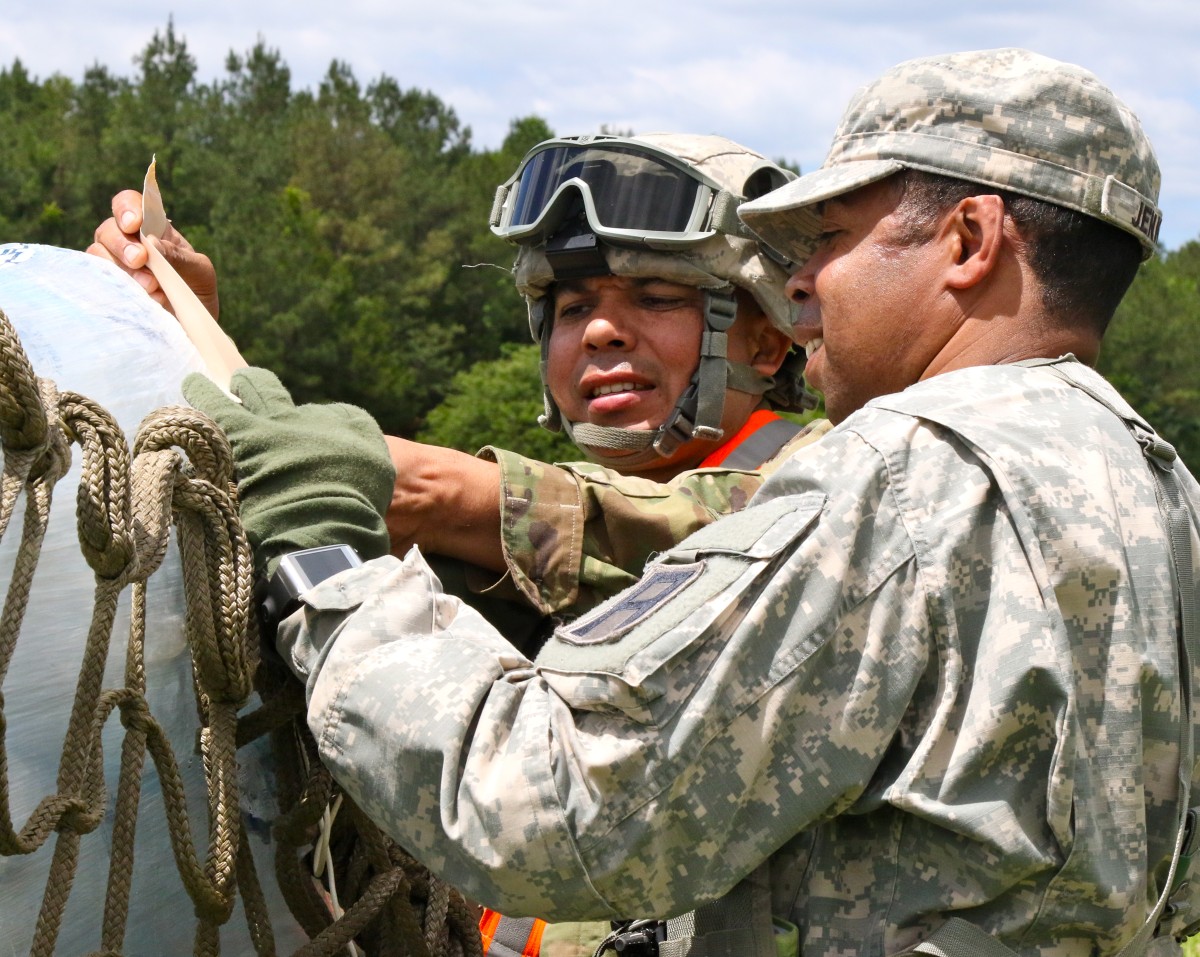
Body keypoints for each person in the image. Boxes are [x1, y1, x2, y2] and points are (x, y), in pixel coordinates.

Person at [185, 47, 1200, 956]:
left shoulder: (898, 476)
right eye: (572, 305)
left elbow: (550, 810)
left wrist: (324, 565)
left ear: (971, 239)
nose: (803, 289)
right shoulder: (1162, 491)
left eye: (833, 236)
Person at [88, 134, 829, 635]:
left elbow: (670, 529)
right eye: (573, 308)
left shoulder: (825, 478)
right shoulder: (539, 546)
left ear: (767, 342)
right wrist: (189, 333)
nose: (601, 332)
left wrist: (359, 474)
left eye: (657, 296)